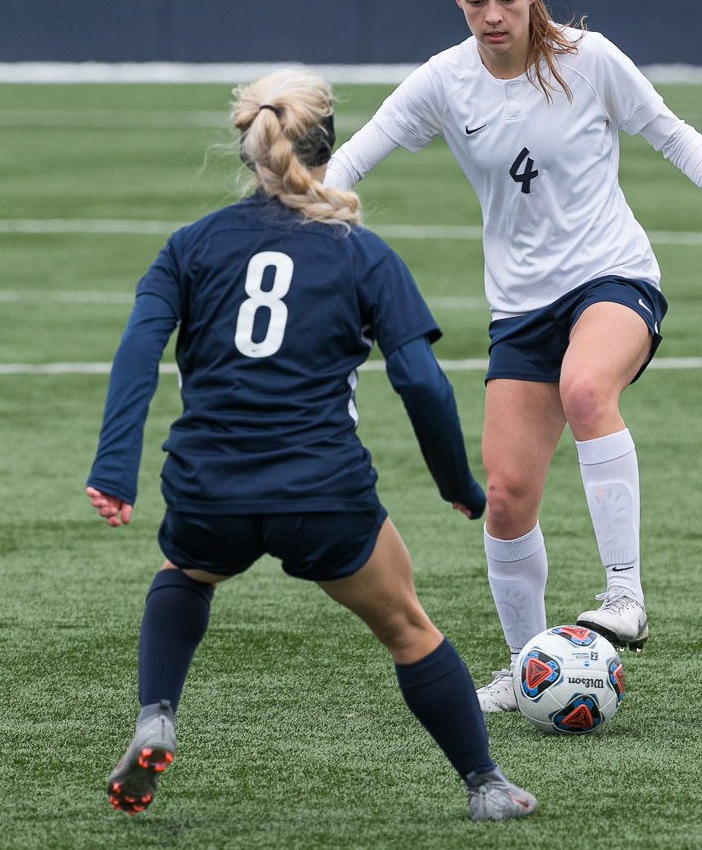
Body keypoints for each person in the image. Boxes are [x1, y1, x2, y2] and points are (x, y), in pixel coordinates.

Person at [324, 0, 702, 713]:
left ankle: (625, 597)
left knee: (586, 390)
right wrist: (300, 217)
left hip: (612, 278)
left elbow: (669, 133)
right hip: (519, 310)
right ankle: (528, 666)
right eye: (475, 1)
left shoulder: (590, 60)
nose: (492, 15)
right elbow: (355, 156)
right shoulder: (444, 80)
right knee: (506, 496)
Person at [83, 69, 535, 822]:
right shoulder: (360, 252)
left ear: (247, 148)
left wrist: (114, 471)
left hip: (208, 485)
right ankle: (486, 784)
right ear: (329, 144)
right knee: (408, 628)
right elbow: (420, 381)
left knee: (186, 572)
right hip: (321, 492)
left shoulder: (188, 246)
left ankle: (157, 712)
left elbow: (138, 349)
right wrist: (458, 484)